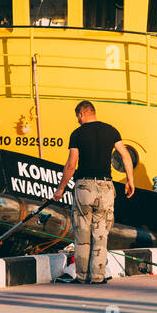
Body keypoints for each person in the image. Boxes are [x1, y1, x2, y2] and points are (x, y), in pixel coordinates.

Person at [52, 100, 135, 284]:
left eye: (78, 117)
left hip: (84, 187)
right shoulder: (111, 130)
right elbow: (125, 155)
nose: (78, 121)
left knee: (82, 234)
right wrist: (130, 179)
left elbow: (71, 165)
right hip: (105, 188)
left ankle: (81, 277)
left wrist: (60, 189)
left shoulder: (77, 134)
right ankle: (97, 277)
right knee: (101, 234)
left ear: (81, 114)